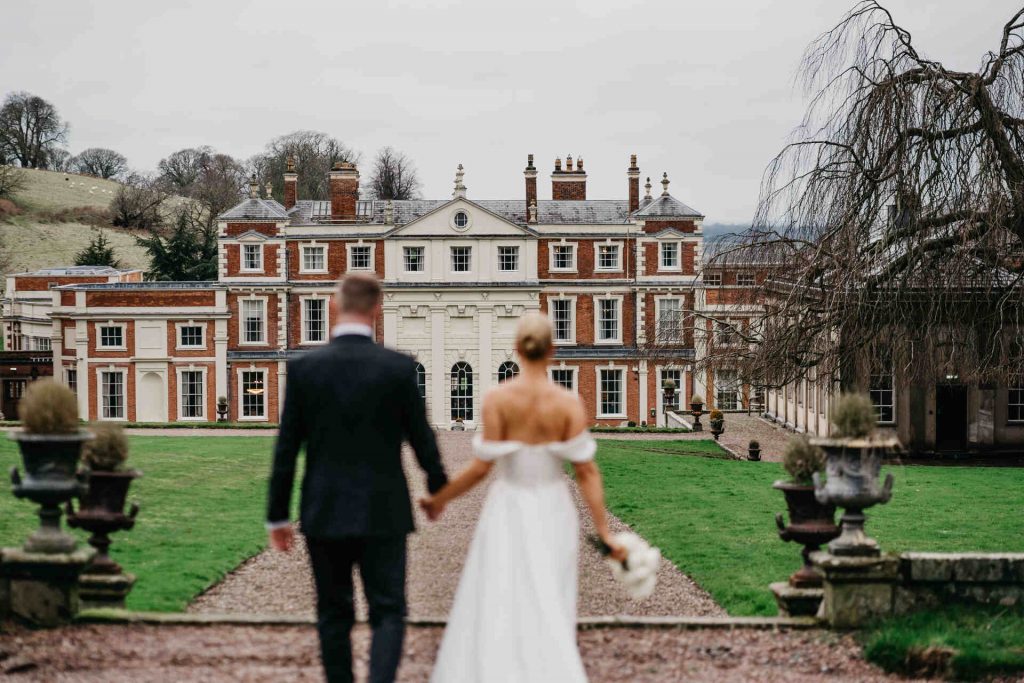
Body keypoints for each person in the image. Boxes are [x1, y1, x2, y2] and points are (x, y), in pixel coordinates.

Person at [419, 311, 626, 683]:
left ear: (516, 348)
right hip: (552, 507)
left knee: (501, 593)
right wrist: (605, 532)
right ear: (552, 349)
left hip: (508, 505)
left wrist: (441, 498)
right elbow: (586, 471)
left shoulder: (498, 398)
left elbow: (481, 467)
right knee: (551, 594)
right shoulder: (567, 402)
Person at [266, 273, 448, 683]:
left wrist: (277, 516)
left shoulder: (305, 368)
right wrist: (437, 487)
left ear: (334, 306)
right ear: (377, 309)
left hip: (324, 508)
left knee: (333, 612)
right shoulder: (399, 368)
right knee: (388, 610)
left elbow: (286, 450)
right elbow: (422, 439)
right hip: (384, 509)